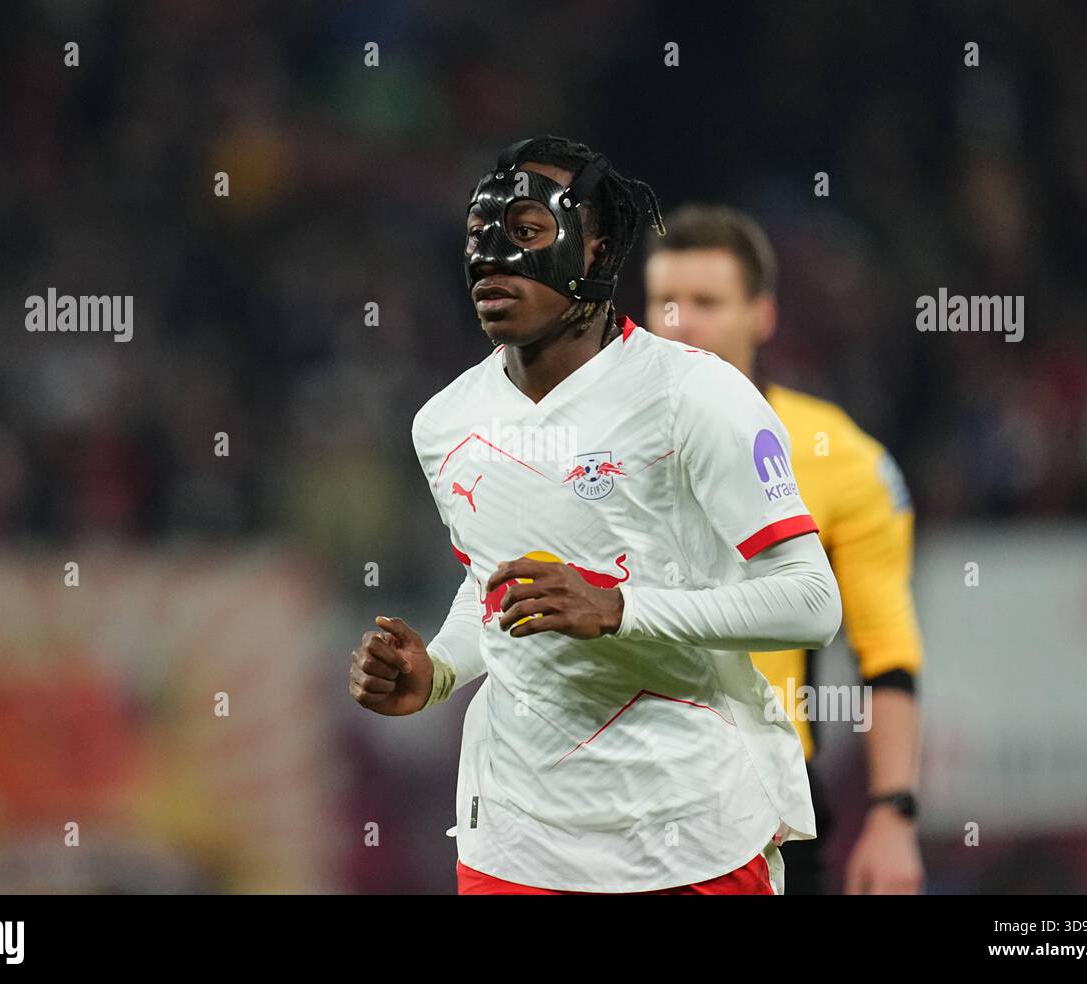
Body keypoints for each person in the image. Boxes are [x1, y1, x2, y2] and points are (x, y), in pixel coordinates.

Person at [348, 136, 841, 895]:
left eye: (524, 231)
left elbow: (812, 603)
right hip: (515, 838)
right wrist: (441, 670)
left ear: (596, 246)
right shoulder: (443, 423)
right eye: (480, 235)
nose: (491, 257)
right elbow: (493, 590)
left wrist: (619, 609)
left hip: (690, 828)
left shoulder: (694, 397)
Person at [644, 205, 925, 894]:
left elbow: (886, 649)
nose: (683, 323)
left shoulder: (839, 459)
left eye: (707, 302)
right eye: (664, 303)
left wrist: (893, 815)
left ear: (762, 314)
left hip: (765, 804)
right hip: (620, 793)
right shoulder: (591, 450)